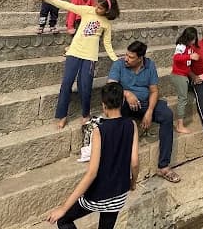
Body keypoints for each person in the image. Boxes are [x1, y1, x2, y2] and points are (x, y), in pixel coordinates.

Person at [44, 83, 138, 229]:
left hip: (99, 194)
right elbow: (134, 162)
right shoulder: (132, 124)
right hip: (119, 194)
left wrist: (63, 208)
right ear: (123, 102)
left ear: (103, 105)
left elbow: (92, 173)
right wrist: (133, 182)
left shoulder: (99, 131)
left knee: (63, 221)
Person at [39, 0, 120, 129]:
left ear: (107, 11)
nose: (97, 9)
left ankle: (85, 114)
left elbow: (107, 44)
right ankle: (62, 115)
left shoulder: (107, 24)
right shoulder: (87, 10)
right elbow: (66, 5)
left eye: (101, 8)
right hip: (74, 53)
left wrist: (116, 60)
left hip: (90, 57)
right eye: (97, 5)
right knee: (66, 83)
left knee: (85, 86)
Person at [108, 41, 179, 183]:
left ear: (140, 58)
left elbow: (154, 91)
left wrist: (149, 112)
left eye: (131, 57)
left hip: (146, 103)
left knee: (167, 115)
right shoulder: (119, 64)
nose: (126, 59)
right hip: (125, 104)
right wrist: (127, 93)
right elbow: (111, 86)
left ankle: (163, 166)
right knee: (115, 105)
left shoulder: (150, 65)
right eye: (126, 55)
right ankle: (118, 163)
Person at [170, 27, 200, 135]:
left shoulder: (190, 47)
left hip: (184, 75)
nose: (193, 41)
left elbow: (187, 65)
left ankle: (180, 124)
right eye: (192, 39)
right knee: (182, 99)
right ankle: (180, 125)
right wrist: (190, 56)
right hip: (178, 75)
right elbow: (176, 58)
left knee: (184, 97)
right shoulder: (181, 46)